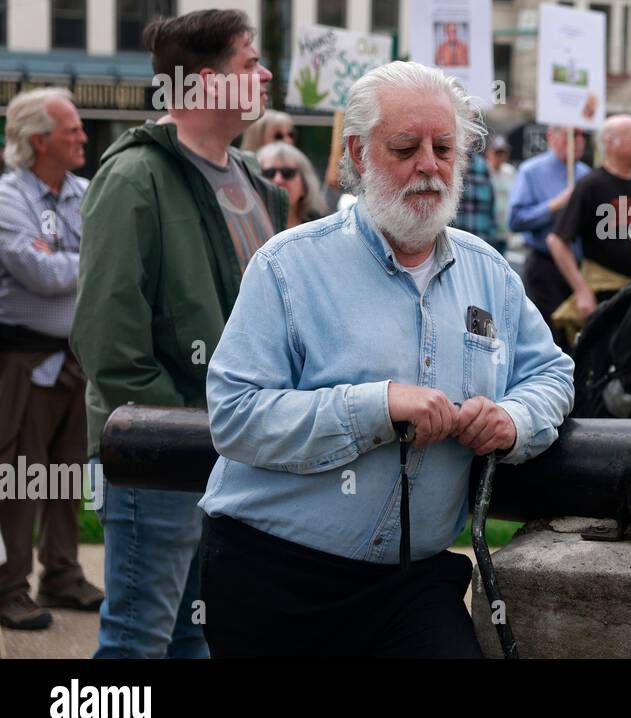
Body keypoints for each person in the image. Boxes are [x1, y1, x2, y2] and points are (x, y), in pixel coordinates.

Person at [199, 61, 573, 658]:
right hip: (276, 576)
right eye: (406, 147)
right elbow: (236, 416)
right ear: (359, 150)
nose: (429, 164)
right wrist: (375, 406)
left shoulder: (489, 272)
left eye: (444, 147)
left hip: (413, 584)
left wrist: (515, 421)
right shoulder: (289, 265)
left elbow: (552, 372)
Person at [71, 9, 287, 659]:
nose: (266, 73)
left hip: (232, 454)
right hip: (157, 457)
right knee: (137, 641)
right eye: (250, 63)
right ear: (202, 82)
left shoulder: (251, 179)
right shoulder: (134, 176)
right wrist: (179, 427)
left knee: (196, 636)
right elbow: (107, 334)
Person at [0, 88, 103, 631]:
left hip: (74, 359)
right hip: (21, 363)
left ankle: (61, 575)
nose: (83, 136)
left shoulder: (88, 191)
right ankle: (8, 587)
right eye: (72, 129)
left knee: (65, 475)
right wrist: (83, 260)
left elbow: (108, 264)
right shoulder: (8, 195)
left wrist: (66, 259)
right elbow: (33, 273)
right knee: (19, 478)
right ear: (39, 140)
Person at [547, 114, 631, 336]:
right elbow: (557, 241)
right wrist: (582, 291)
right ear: (611, 142)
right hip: (603, 294)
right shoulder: (591, 184)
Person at [508, 127, 590, 348]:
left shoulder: (586, 175)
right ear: (551, 136)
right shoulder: (531, 171)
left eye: (582, 135)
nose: (577, 141)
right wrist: (555, 205)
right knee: (549, 339)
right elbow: (515, 221)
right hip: (545, 267)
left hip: (578, 268)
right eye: (571, 134)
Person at [257, 141, 328, 228]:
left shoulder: (323, 228)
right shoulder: (248, 228)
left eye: (287, 173)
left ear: (305, 184)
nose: (278, 180)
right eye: (269, 173)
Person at [451, 150, 502, 252]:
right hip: (452, 245)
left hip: (480, 243)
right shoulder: (448, 161)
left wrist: (491, 236)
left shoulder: (482, 165)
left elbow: (492, 204)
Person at [485, 134, 517, 254]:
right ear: (489, 153)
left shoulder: (510, 172)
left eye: (502, 152)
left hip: (504, 231)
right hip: (488, 229)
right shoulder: (484, 171)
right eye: (497, 152)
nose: (500, 156)